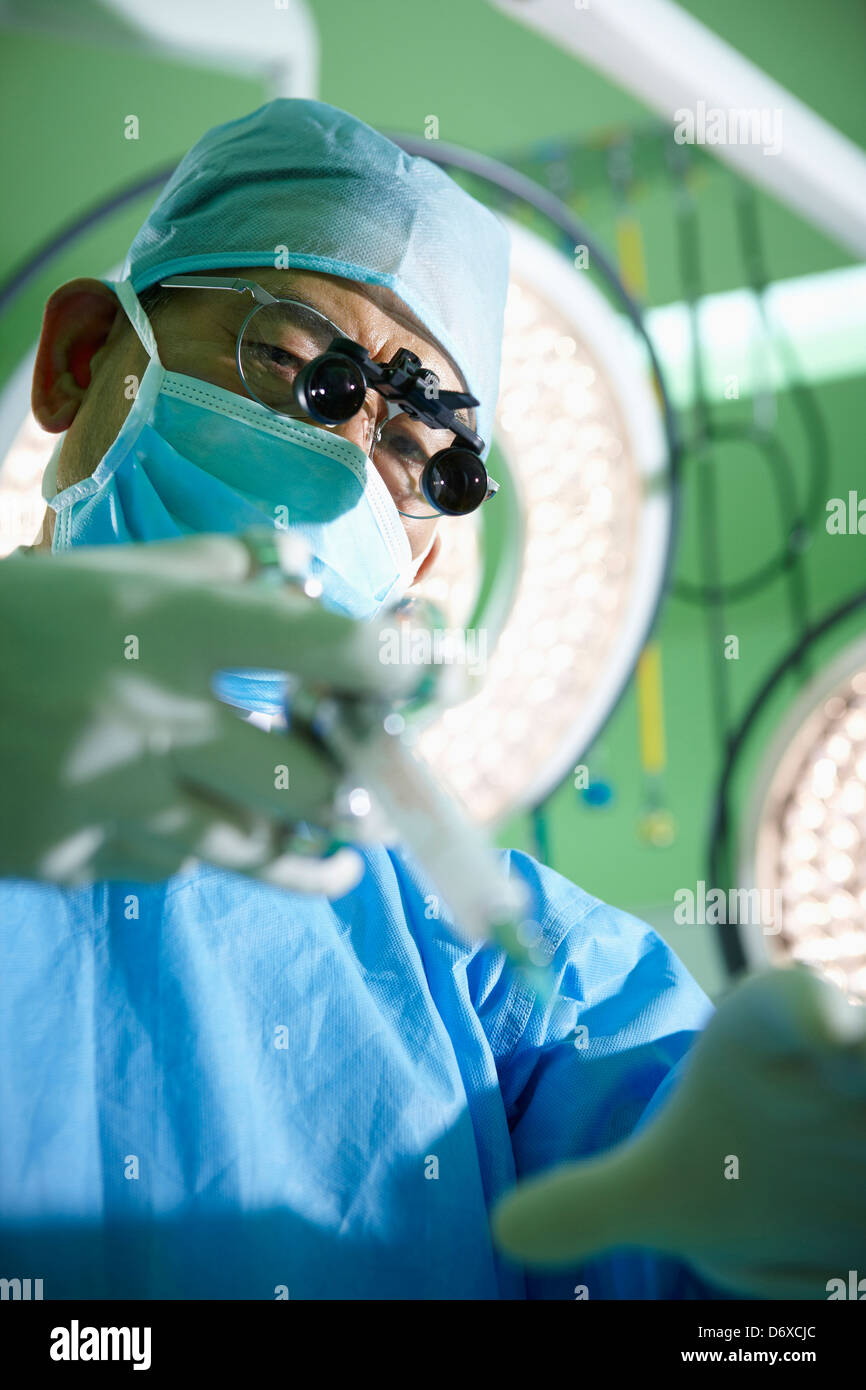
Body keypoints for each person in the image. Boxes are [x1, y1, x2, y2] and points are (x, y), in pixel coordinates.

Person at [1, 99, 863, 1301]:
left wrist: (766, 1202)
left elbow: (682, 1192)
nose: (347, 464)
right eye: (303, 367)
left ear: (421, 561)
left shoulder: (502, 969)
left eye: (425, 453)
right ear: (83, 358)